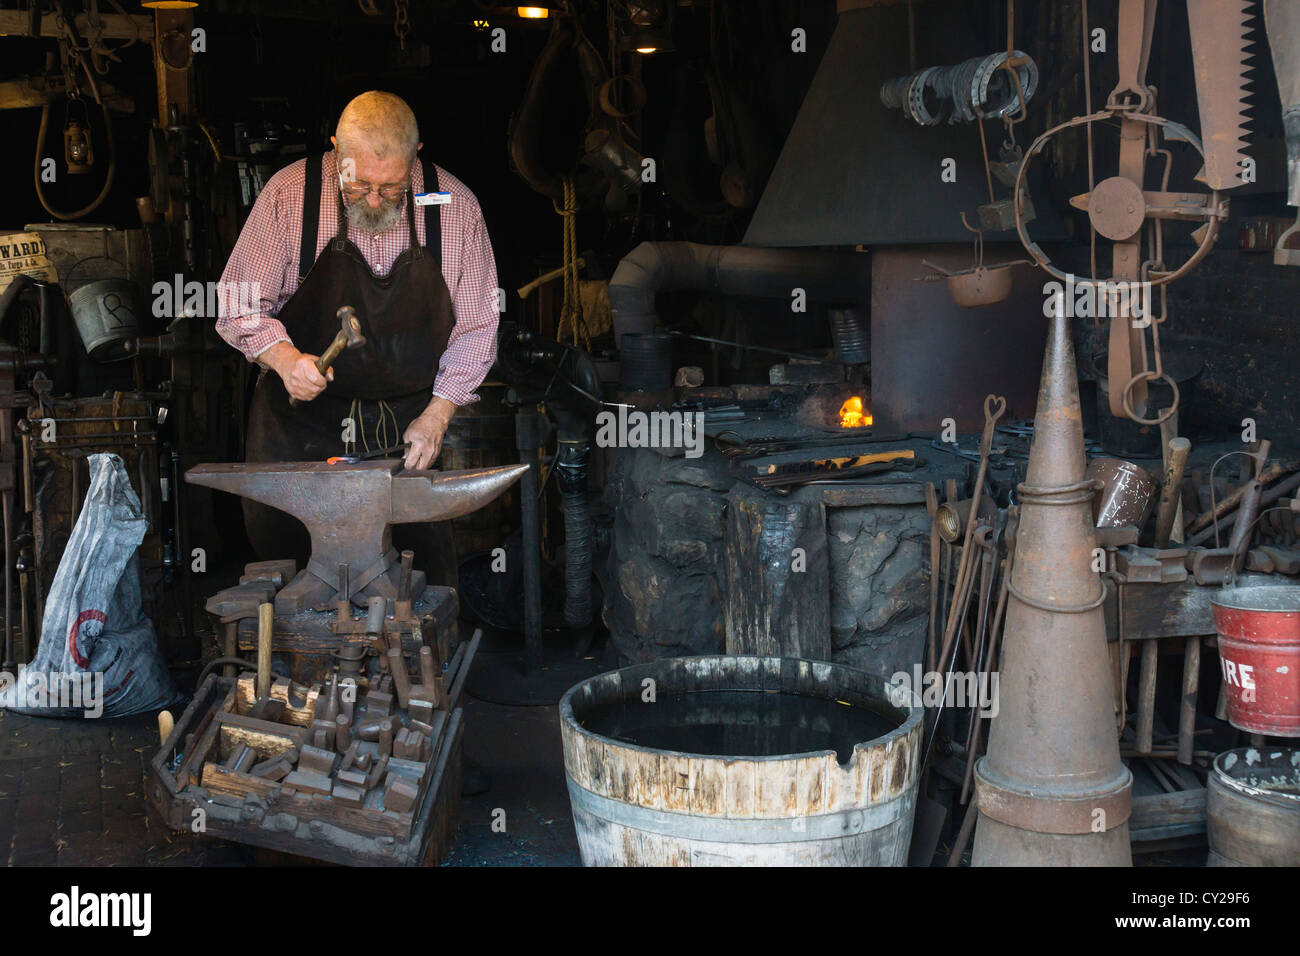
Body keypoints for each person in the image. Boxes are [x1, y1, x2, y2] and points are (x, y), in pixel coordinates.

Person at [216, 90, 499, 590]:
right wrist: (284, 360)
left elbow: (478, 326)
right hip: (299, 426)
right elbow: (237, 302)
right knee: (291, 575)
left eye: (391, 189)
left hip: (408, 431)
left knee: (417, 578)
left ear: (417, 156)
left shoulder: (454, 207)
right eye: (360, 183)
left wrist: (438, 415)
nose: (373, 200)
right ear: (335, 151)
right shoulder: (290, 196)